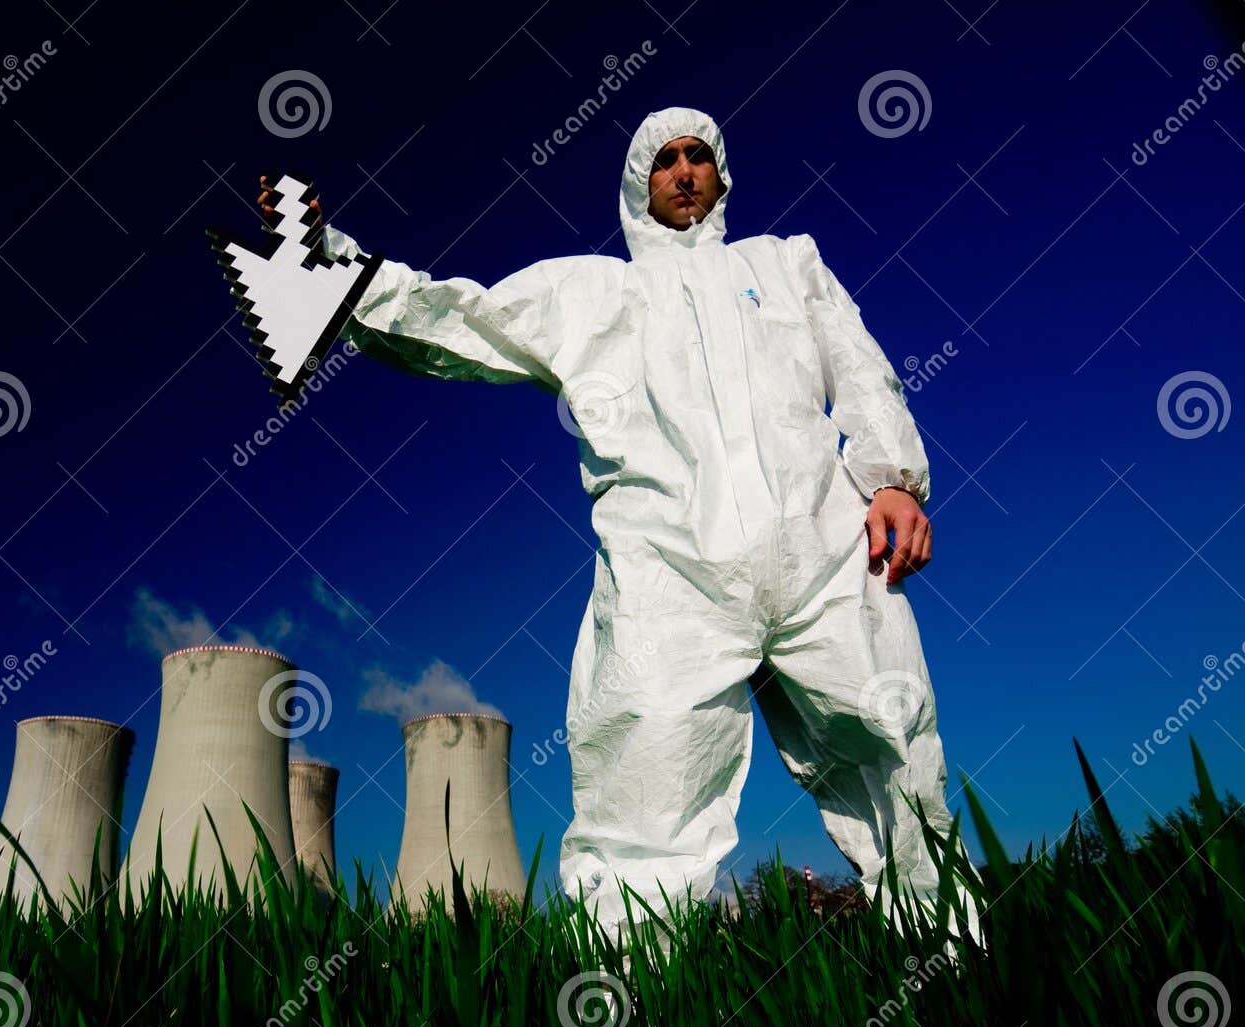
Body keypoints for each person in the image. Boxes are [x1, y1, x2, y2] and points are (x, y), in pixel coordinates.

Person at [260, 106, 980, 944]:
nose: (683, 171)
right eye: (665, 160)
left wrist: (893, 479)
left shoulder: (788, 265)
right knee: (645, 785)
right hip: (670, 572)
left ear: (720, 174)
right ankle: (627, 1011)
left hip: (823, 548)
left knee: (897, 751)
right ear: (640, 182)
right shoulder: (593, 291)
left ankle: (954, 964)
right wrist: (333, 265)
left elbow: (861, 365)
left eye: (698, 157)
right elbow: (461, 320)